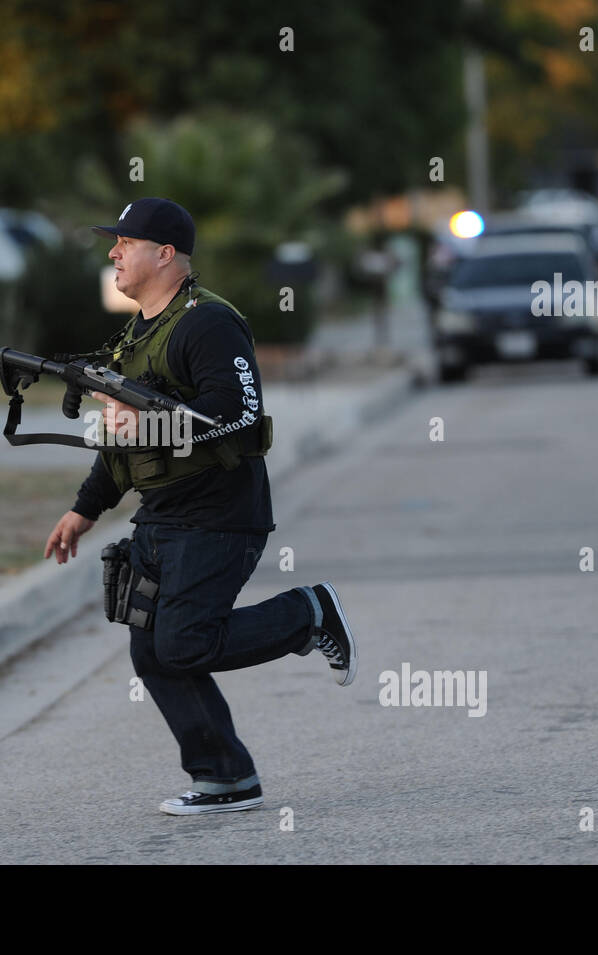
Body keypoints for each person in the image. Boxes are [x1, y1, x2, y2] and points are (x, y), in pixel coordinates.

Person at [43, 197, 358, 815]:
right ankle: (225, 777)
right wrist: (85, 508)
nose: (113, 252)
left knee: (183, 641)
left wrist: (149, 427)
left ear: (165, 255)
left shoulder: (209, 324)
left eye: (124, 243)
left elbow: (236, 415)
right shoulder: (135, 334)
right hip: (163, 514)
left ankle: (308, 612)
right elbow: (119, 441)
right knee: (149, 646)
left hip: (219, 514)